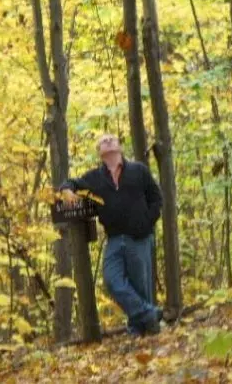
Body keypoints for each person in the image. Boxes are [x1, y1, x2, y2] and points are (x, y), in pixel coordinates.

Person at [60, 134, 163, 336]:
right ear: (99, 152)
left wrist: (146, 222)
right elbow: (71, 182)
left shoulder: (138, 170)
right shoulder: (95, 178)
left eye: (112, 139)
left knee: (140, 284)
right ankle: (150, 313)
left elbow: (156, 198)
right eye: (103, 141)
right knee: (112, 280)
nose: (107, 141)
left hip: (139, 237)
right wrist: (66, 191)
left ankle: (140, 330)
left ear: (120, 147)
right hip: (115, 238)